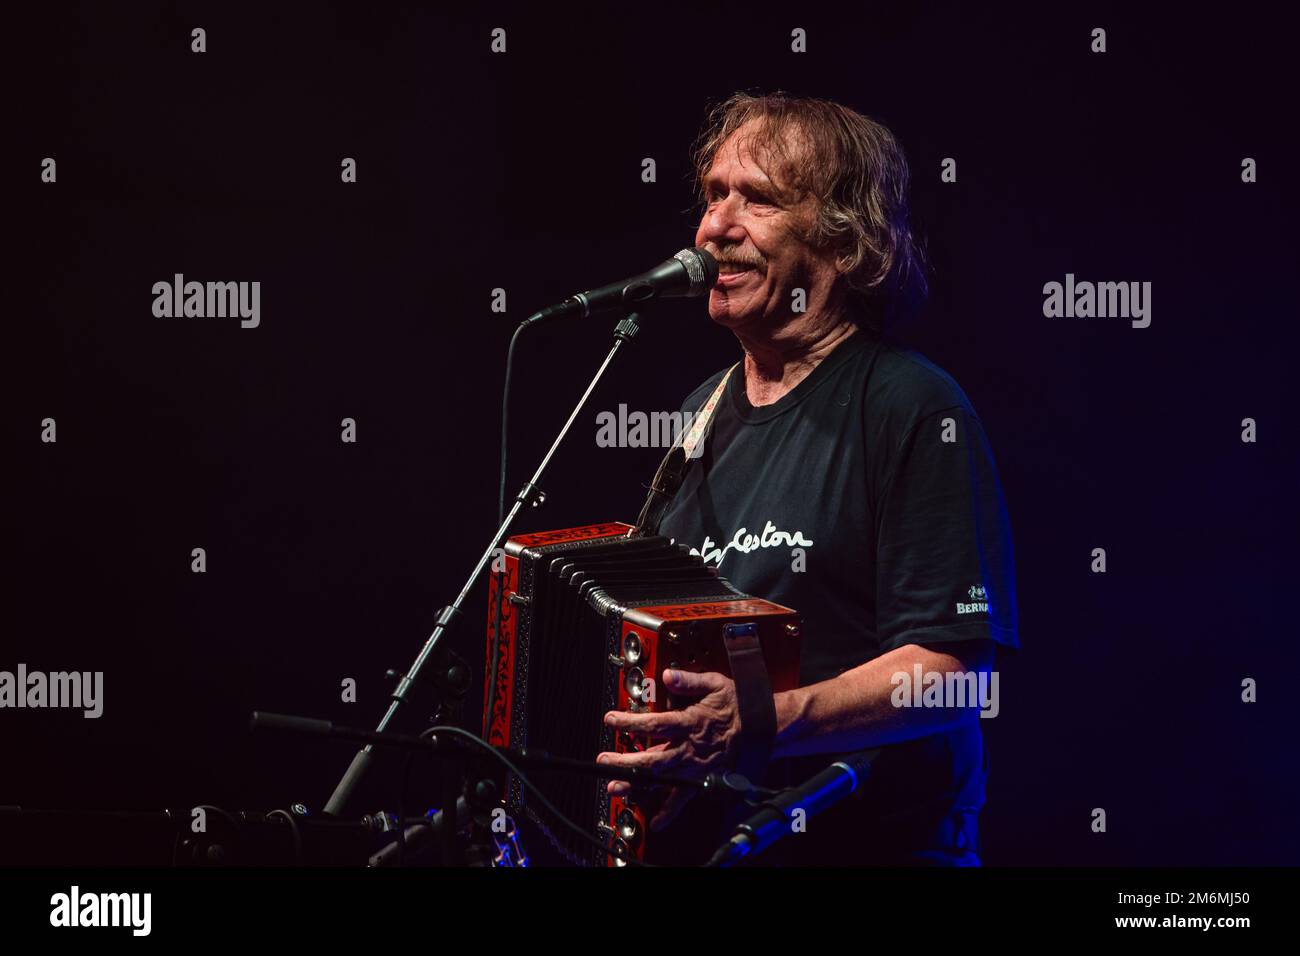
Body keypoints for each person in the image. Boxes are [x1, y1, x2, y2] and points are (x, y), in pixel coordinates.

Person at [596, 92, 1020, 866]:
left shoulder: (911, 406)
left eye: (755, 198)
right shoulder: (703, 410)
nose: (714, 228)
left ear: (846, 242)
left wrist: (764, 718)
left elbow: (957, 669)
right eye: (714, 194)